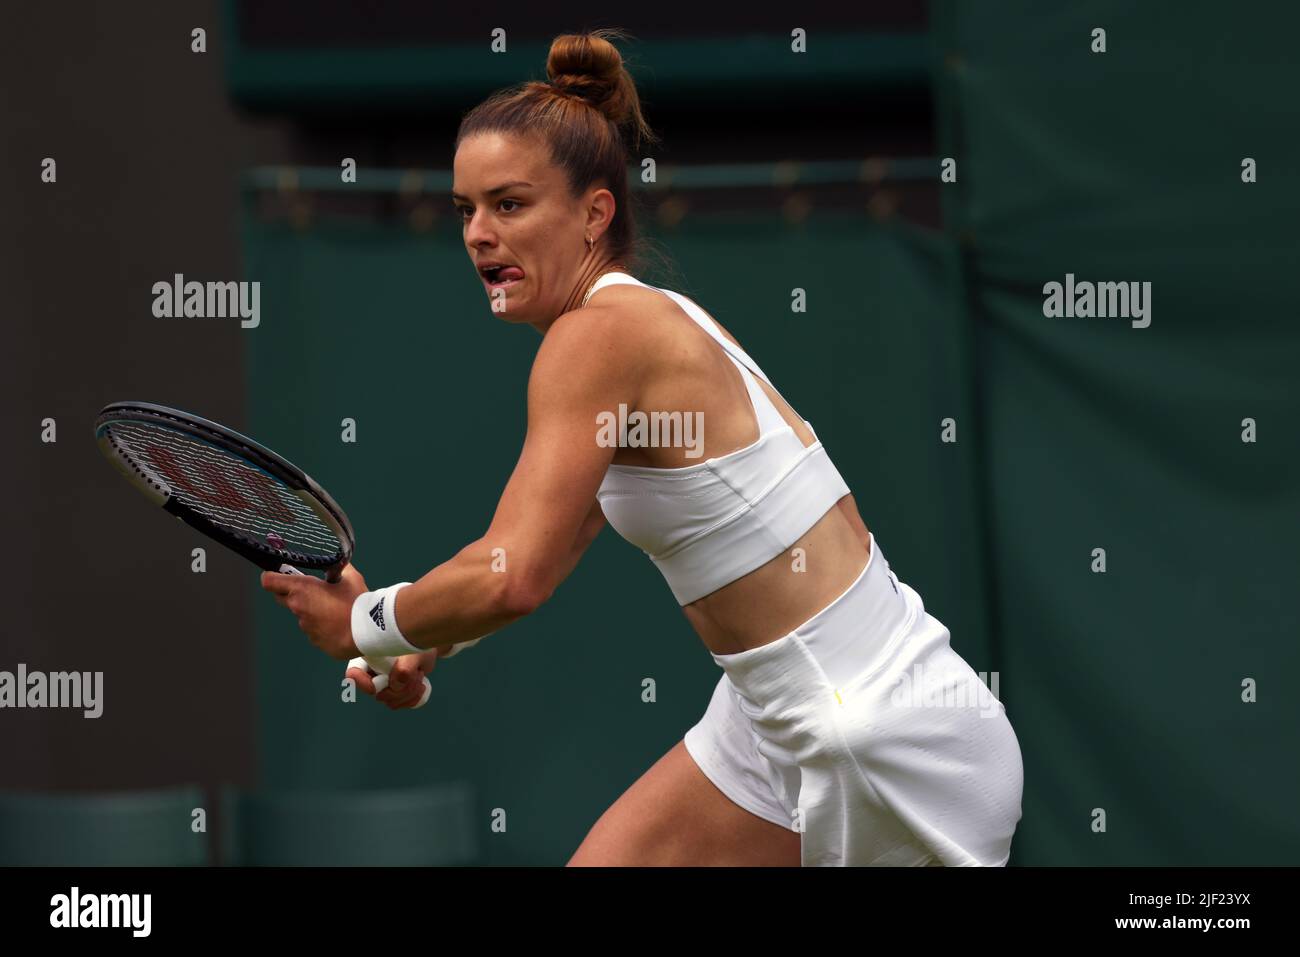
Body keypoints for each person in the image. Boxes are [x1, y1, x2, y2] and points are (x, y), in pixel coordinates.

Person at [261, 29, 1024, 867]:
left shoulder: (596, 339)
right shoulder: (653, 320)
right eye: (465, 210)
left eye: (509, 204)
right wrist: (417, 642)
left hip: (878, 734)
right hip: (791, 716)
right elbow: (551, 540)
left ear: (596, 212)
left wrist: (366, 625)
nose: (479, 233)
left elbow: (511, 575)